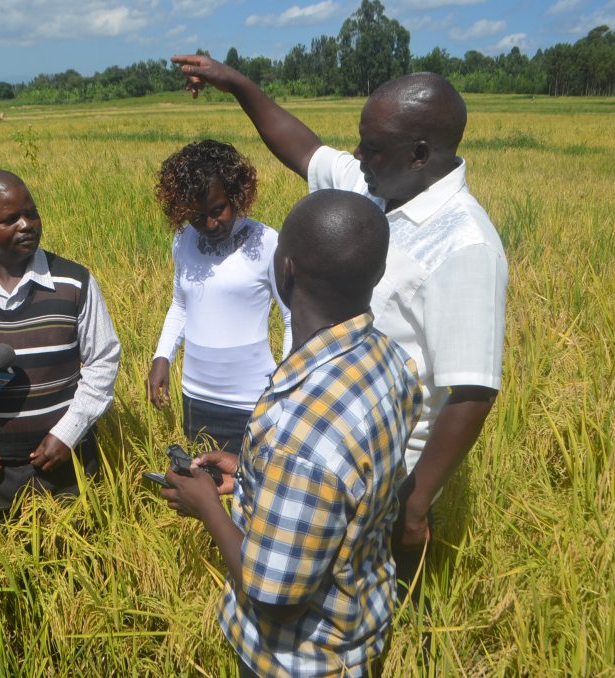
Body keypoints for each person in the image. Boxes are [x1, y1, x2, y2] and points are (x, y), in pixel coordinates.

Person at [171, 54, 508, 594]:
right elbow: (305, 151)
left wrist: (414, 503)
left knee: (356, 606)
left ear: (419, 154)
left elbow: (472, 390)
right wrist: (234, 83)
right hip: (326, 450)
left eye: (369, 147)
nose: (356, 156)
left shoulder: (465, 244)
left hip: (387, 476)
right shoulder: (381, 181)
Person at [162, 190, 423, 676]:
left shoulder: (298, 430)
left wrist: (207, 510)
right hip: (357, 633)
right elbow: (346, 488)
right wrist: (249, 473)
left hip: (296, 660)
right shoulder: (387, 360)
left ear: (285, 271)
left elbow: (273, 598)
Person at [0, 170, 120, 513]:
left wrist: (68, 433)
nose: (27, 224)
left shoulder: (74, 282)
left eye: (31, 213)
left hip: (69, 464)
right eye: (10, 219)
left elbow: (103, 359)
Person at [147, 140, 291, 453]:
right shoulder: (184, 239)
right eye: (198, 216)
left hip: (252, 400)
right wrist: (162, 358)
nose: (210, 224)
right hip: (195, 397)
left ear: (237, 194)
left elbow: (291, 316)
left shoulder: (268, 242)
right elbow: (180, 306)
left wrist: (287, 384)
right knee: (201, 492)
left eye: (218, 210)